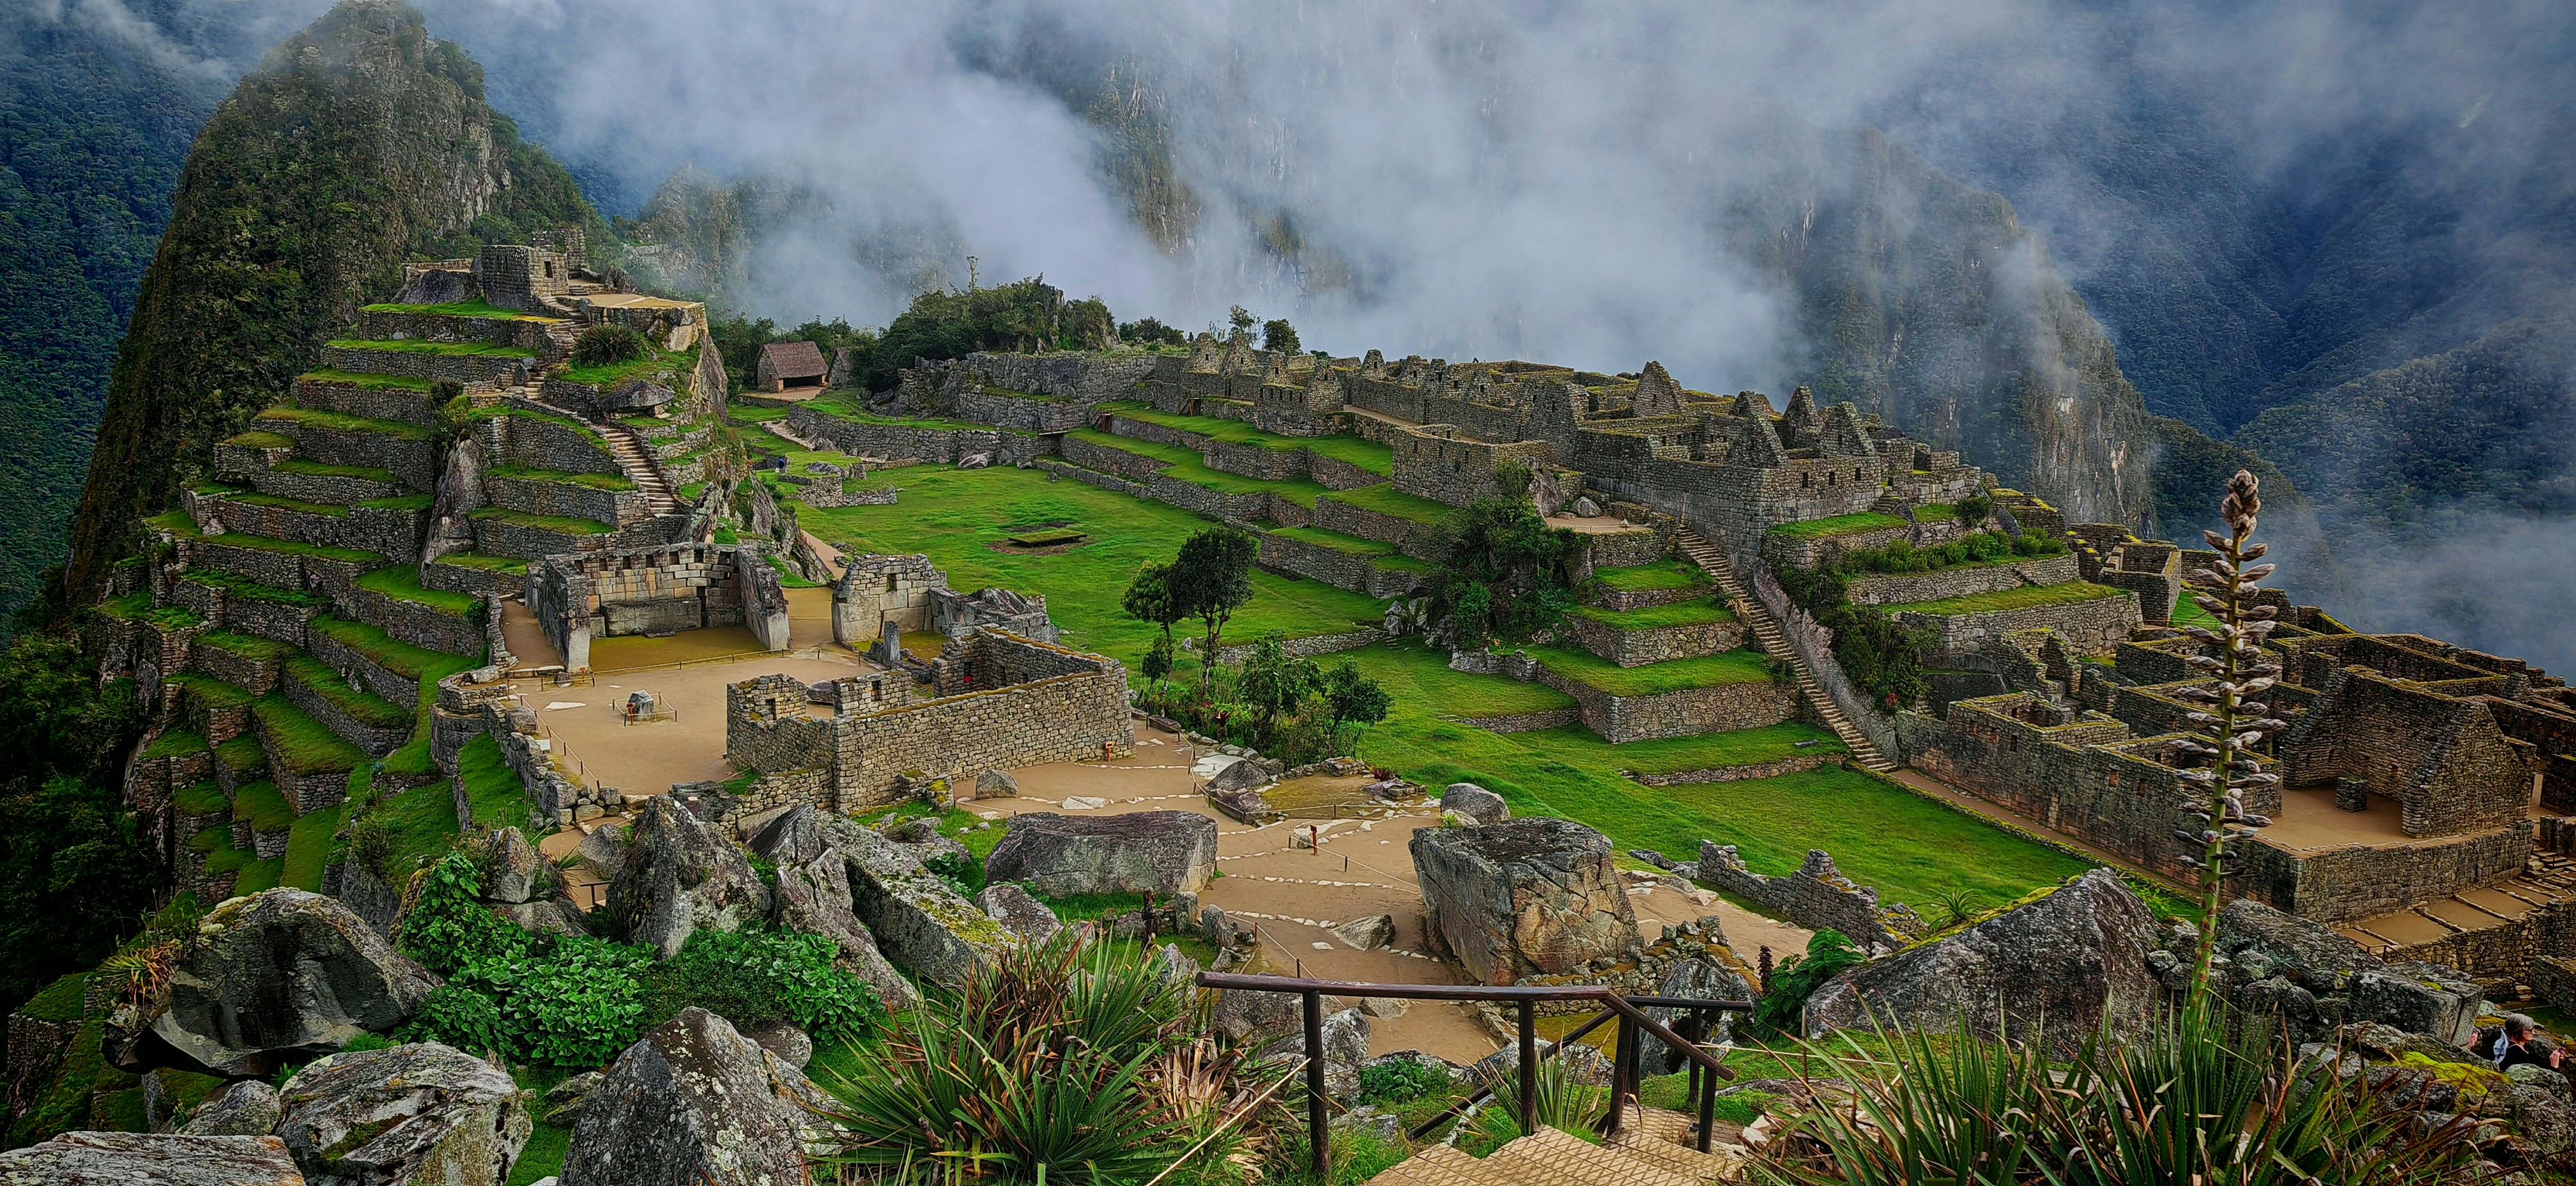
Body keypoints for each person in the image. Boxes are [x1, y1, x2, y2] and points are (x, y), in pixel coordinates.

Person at [2472, 1013, 2565, 1073]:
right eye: (2530, 1030)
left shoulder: (2512, 1048)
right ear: (2518, 1031)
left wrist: (2551, 1060)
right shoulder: (2517, 1055)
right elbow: (2536, 1080)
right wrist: (2554, 1067)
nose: (2534, 1033)